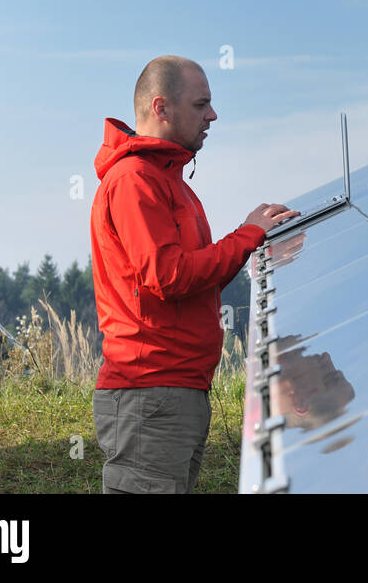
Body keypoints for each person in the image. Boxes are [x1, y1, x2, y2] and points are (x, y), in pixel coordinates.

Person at [89, 54, 300, 493]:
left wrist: (251, 243)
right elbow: (167, 277)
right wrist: (245, 237)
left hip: (175, 391)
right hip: (150, 393)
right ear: (161, 108)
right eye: (201, 105)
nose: (213, 115)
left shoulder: (169, 181)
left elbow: (192, 283)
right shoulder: (134, 180)